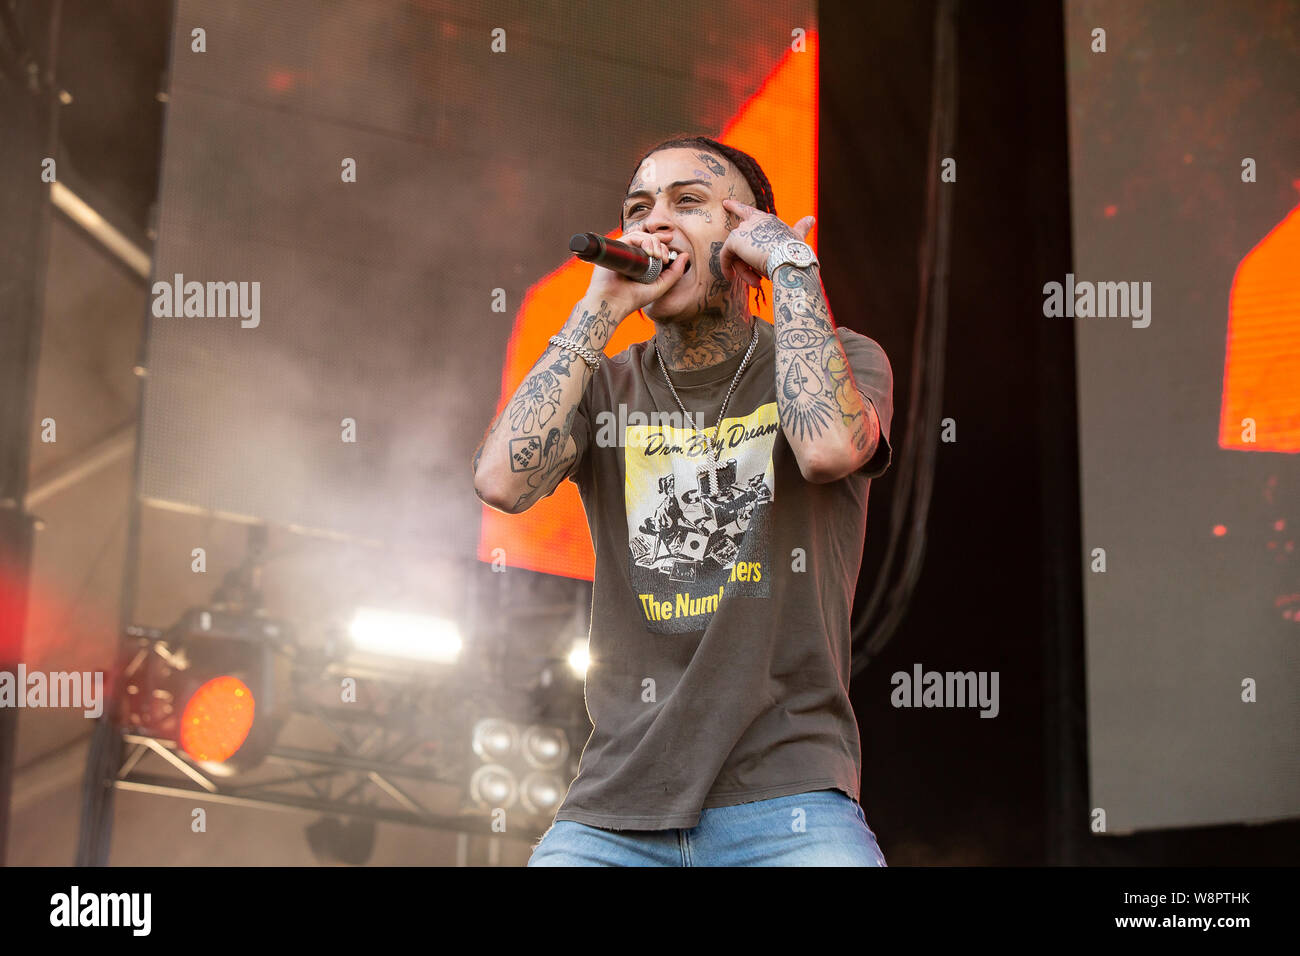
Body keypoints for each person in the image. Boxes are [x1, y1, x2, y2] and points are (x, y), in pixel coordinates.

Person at [472, 135, 894, 866]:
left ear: (747, 233)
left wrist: (792, 265)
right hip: (613, 811)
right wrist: (596, 311)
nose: (655, 223)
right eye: (640, 208)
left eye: (689, 203)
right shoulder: (605, 387)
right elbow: (501, 481)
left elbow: (827, 448)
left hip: (788, 799)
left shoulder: (844, 358)